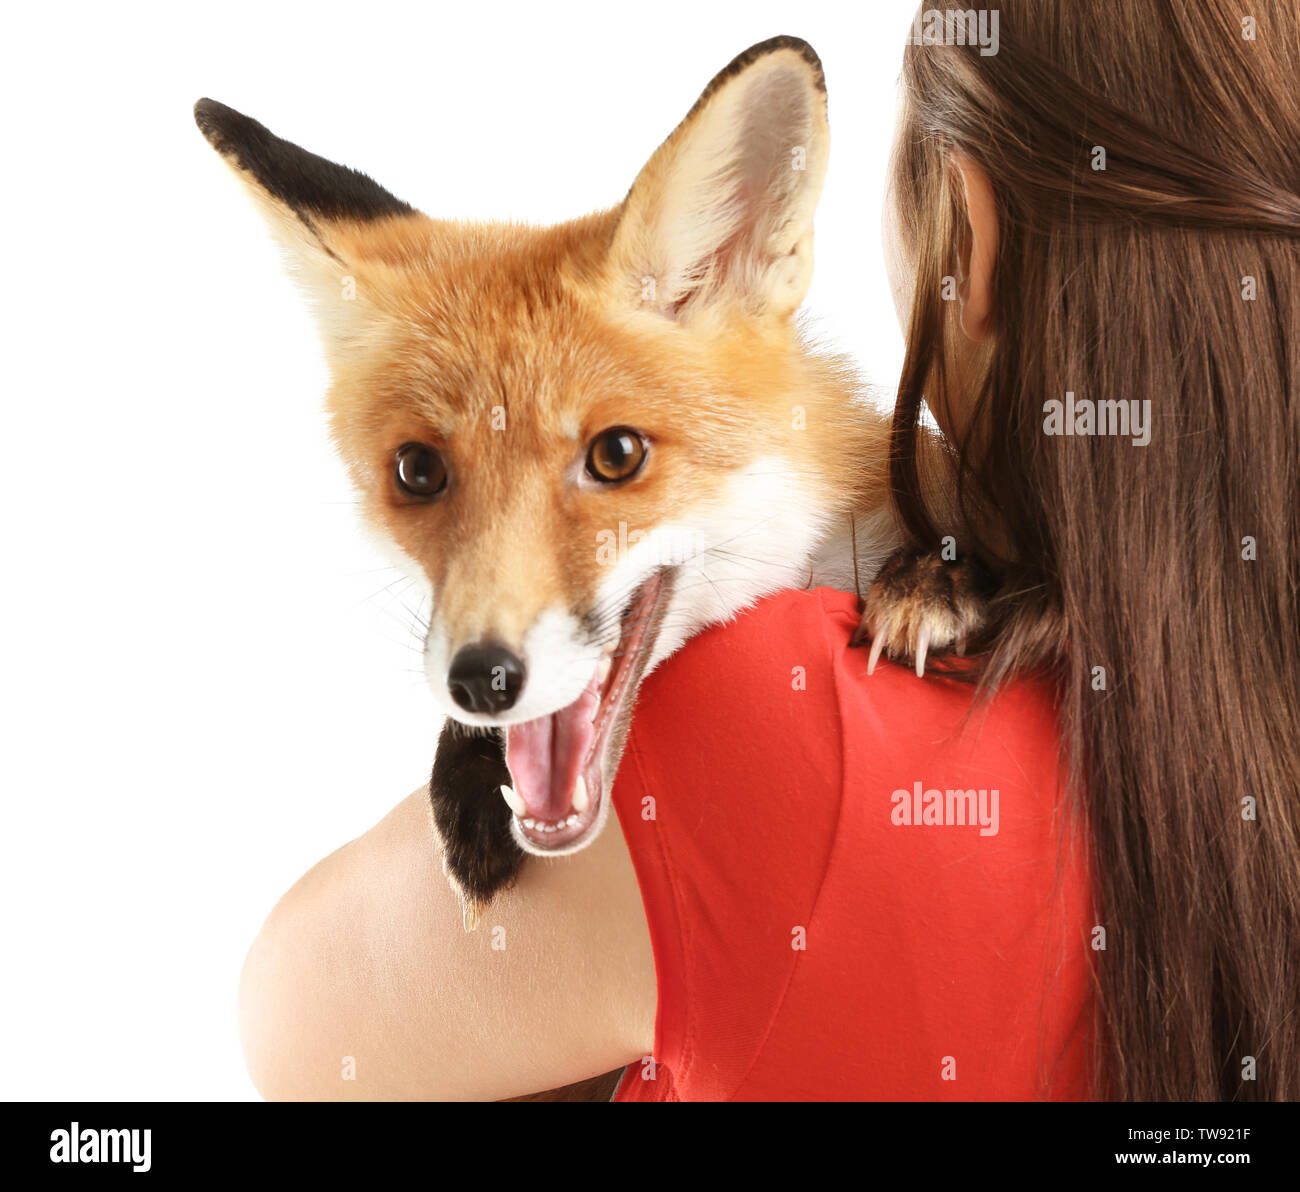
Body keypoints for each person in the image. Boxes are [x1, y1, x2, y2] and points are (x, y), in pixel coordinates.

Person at [237, 2, 1300, 1101]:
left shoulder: (783, 726)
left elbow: (296, 1022)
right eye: (422, 478)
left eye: (610, 455)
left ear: (965, 238)